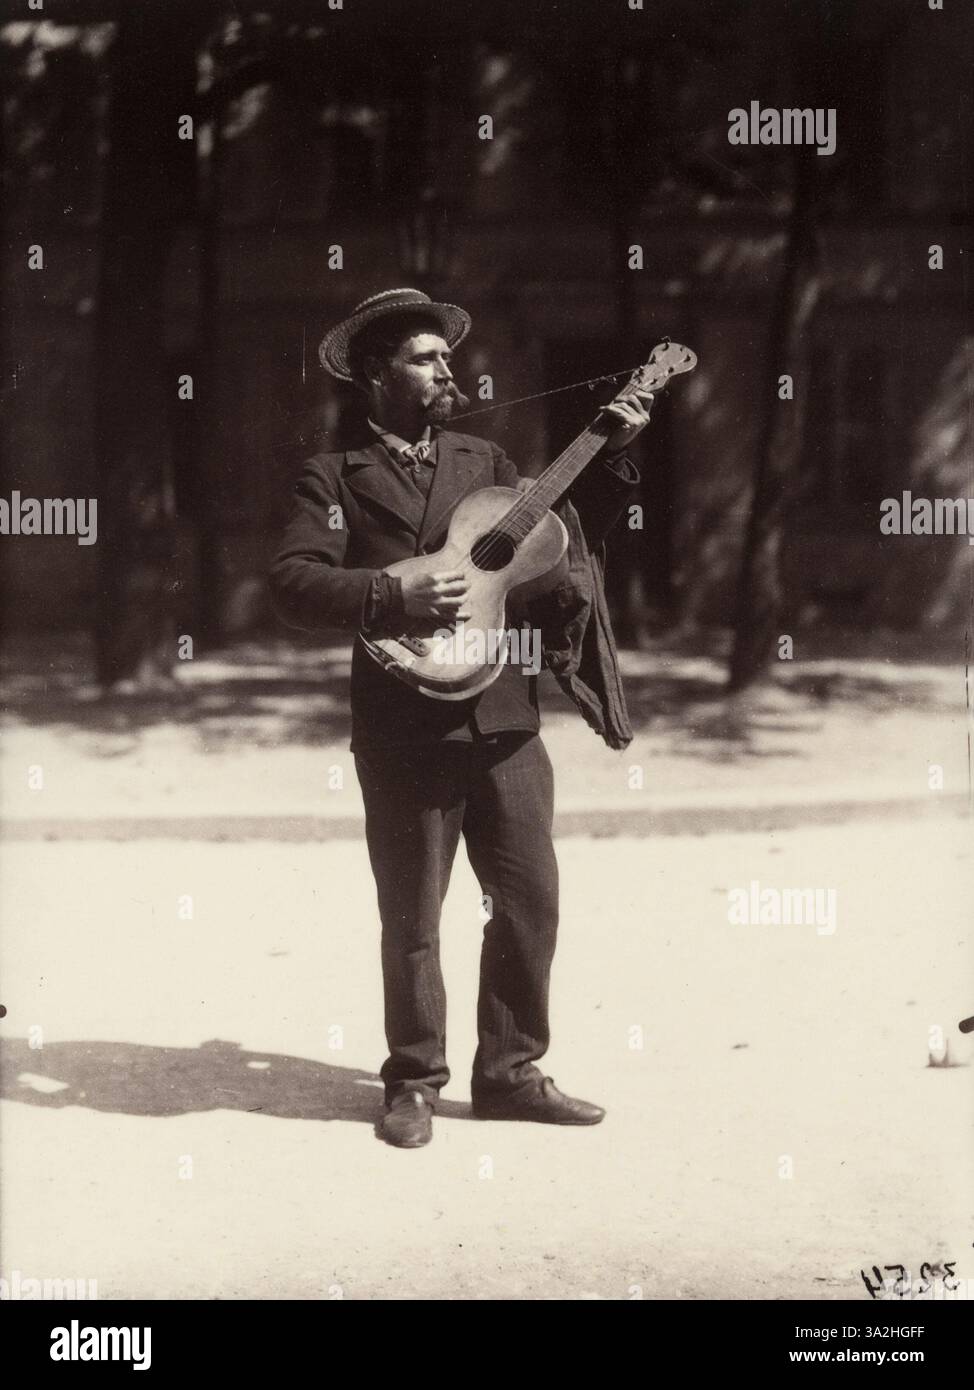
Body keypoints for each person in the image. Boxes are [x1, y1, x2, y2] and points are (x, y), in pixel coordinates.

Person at [270, 288, 654, 1147]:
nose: (446, 369)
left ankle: (512, 1072)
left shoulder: (487, 462)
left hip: (507, 717)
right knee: (412, 915)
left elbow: (546, 559)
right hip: (404, 725)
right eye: (423, 356)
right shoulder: (331, 476)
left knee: (529, 901)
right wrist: (388, 591)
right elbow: (292, 583)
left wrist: (612, 454)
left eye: (446, 356)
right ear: (376, 373)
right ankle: (413, 1081)